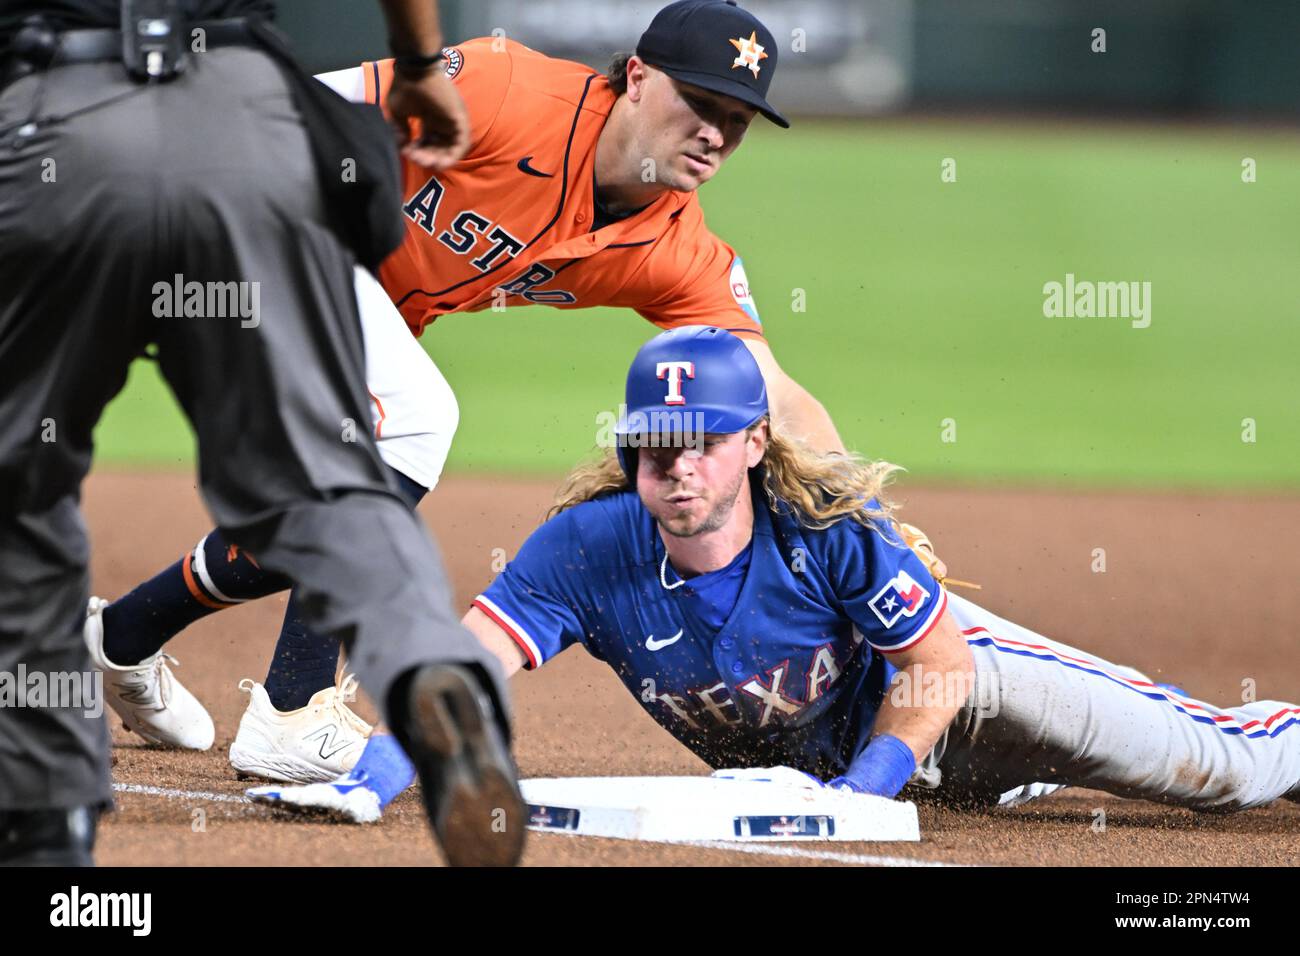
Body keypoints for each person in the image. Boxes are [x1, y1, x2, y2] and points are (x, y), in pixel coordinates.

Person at [88, 0, 859, 787]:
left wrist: (869, 528)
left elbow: (772, 388)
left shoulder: (674, 247)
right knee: (414, 421)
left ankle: (117, 637)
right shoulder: (511, 89)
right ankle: (291, 711)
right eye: (699, 102)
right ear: (635, 77)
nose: (716, 134)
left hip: (330, 284)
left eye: (739, 119)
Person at [251, 326, 1300, 824]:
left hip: (959, 688)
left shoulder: (824, 527)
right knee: (1012, 800)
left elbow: (933, 657)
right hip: (889, 764)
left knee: (1219, 774)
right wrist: (374, 775)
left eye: (702, 442)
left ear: (753, 442)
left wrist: (870, 785)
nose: (677, 466)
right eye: (655, 445)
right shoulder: (585, 548)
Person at [0, 0, 524, 866]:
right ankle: (425, 665)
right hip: (240, 115)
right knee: (325, 467)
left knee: (21, 484)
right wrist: (419, 62)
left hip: (52, 120)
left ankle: (49, 819)